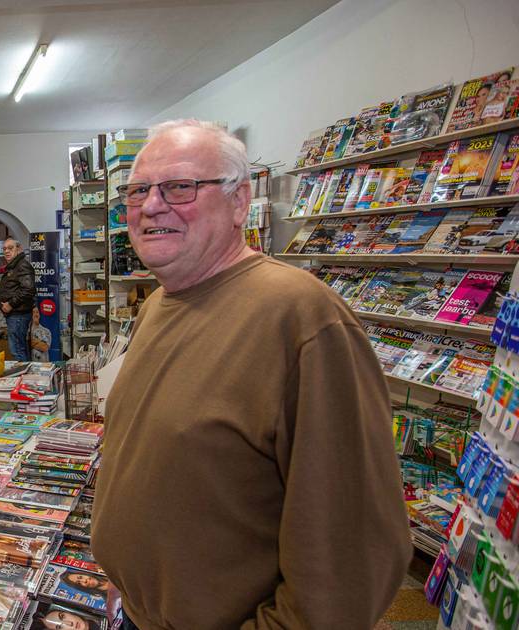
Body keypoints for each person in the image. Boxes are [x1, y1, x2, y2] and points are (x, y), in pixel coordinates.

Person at [90, 119, 410, 630]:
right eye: (138, 191)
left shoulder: (303, 318)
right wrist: (129, 580)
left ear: (240, 202)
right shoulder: (157, 306)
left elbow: (352, 557)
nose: (151, 206)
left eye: (180, 187)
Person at [0, 237, 36, 361]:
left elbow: (28, 290)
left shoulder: (22, 266)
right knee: (20, 348)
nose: (6, 251)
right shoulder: (13, 266)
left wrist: (11, 304)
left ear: (19, 249)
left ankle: (24, 378)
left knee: (17, 350)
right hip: (15, 315)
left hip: (18, 315)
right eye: (4, 249)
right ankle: (25, 376)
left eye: (10, 248)